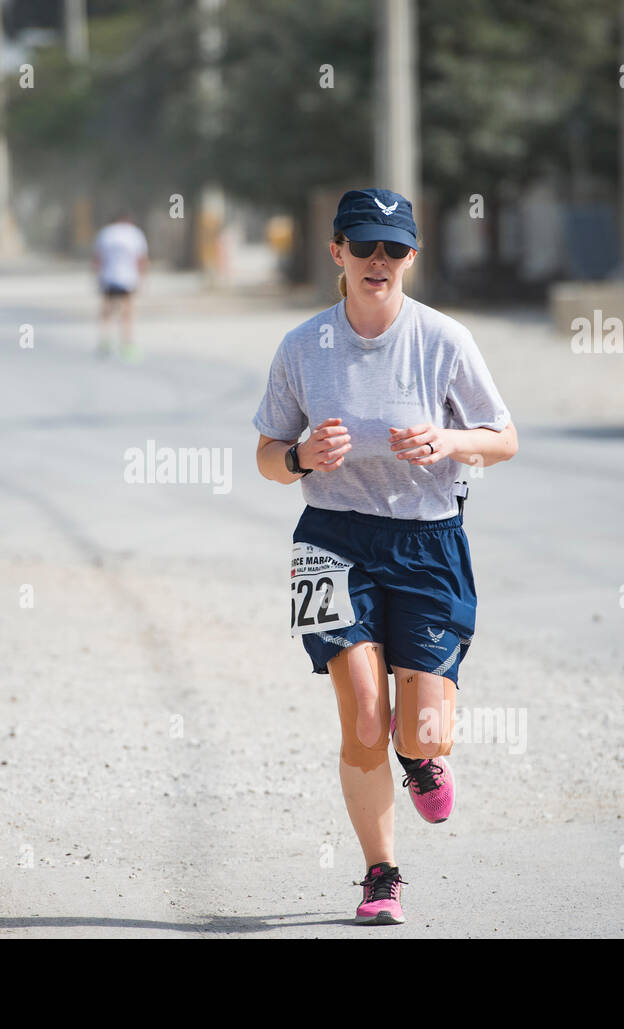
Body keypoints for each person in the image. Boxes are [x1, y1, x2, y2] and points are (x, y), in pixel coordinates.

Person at [252, 187, 518, 926]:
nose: (379, 261)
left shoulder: (444, 340)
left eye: (393, 248)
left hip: (429, 539)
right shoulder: (304, 346)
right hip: (333, 540)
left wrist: (452, 441)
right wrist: (301, 454)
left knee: (422, 728)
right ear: (335, 250)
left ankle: (420, 754)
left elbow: (503, 437)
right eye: (363, 246)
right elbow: (267, 457)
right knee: (364, 714)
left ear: (411, 255)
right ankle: (381, 872)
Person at [91, 211, 149, 361]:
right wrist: (142, 278)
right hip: (128, 278)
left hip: (108, 277)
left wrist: (97, 277)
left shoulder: (106, 233)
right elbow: (141, 259)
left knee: (107, 311)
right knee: (127, 313)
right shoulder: (135, 234)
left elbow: (98, 258)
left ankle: (105, 341)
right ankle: (127, 344)